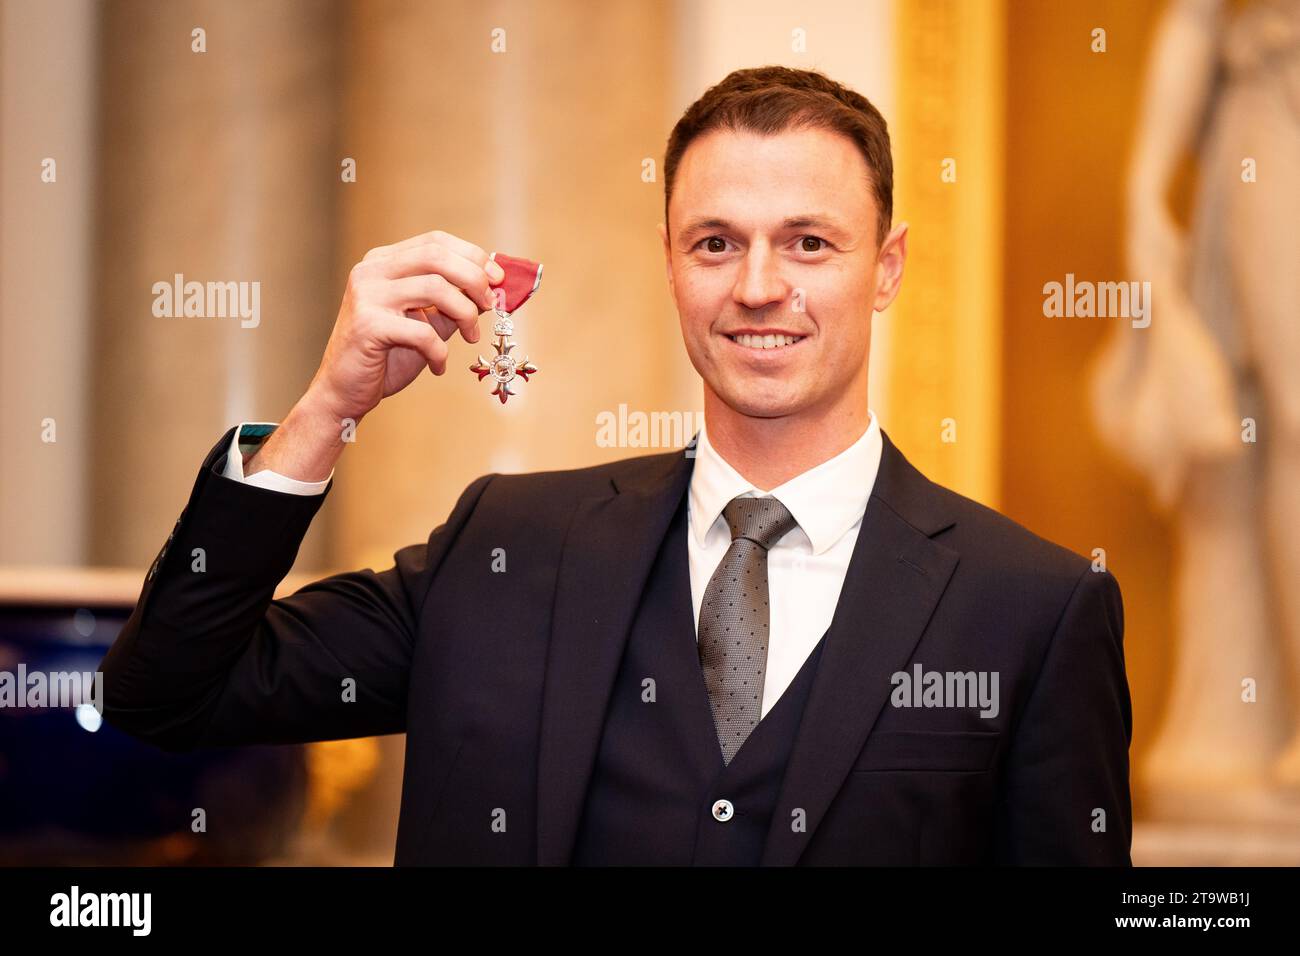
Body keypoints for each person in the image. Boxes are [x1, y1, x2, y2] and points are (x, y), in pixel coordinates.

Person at [100, 65, 1132, 865]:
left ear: (888, 267)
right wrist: (329, 405)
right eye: (716, 242)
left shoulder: (1031, 607)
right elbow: (169, 692)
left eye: (809, 242)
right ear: (671, 260)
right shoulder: (504, 548)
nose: (759, 286)